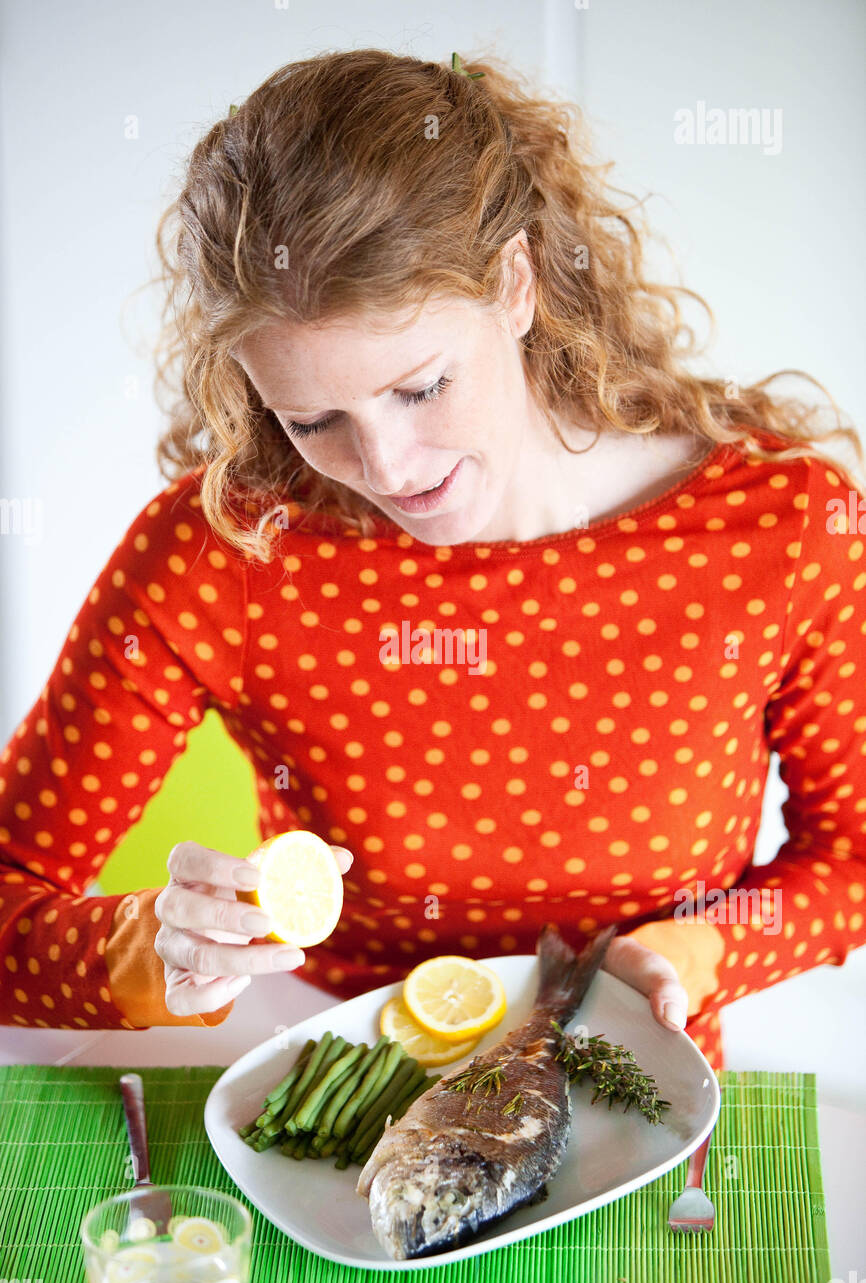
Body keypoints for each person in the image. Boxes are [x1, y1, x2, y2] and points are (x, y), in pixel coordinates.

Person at [1, 49, 863, 1072]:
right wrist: (155, 948)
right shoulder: (222, 551)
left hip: (639, 1102)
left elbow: (849, 859)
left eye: (420, 387)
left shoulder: (780, 529)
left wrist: (697, 947)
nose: (386, 466)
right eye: (314, 419)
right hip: (327, 1107)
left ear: (512, 282)